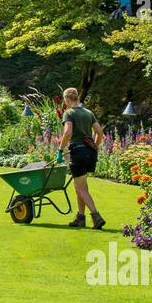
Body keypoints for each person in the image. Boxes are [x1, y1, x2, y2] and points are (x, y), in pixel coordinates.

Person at [58, 87, 105, 230]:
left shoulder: (69, 113)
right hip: (90, 154)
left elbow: (68, 132)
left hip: (78, 153)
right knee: (81, 186)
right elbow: (100, 132)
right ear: (77, 97)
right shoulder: (88, 113)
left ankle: (96, 216)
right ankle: (80, 218)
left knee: (80, 188)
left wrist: (60, 150)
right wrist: (94, 146)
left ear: (66, 99)